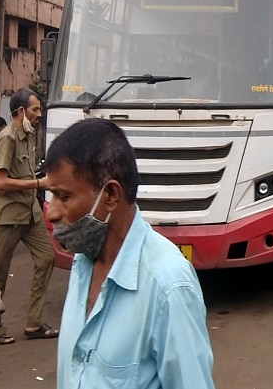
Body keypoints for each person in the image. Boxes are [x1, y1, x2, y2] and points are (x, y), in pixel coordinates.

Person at [43, 119, 214, 389]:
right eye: (51, 195)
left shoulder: (168, 286)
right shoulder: (82, 262)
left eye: (63, 197)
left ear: (110, 195)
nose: (51, 211)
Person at [0, 88, 56, 345]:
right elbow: (0, 182)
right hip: (9, 216)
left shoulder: (29, 135)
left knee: (46, 259)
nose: (39, 114)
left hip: (30, 214)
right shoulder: (7, 138)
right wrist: (37, 185)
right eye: (36, 109)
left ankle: (33, 323)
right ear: (22, 111)